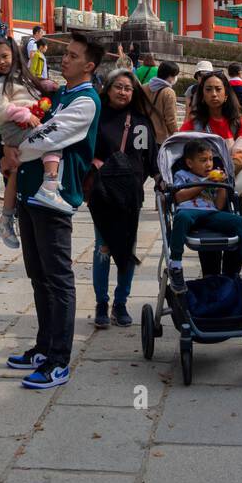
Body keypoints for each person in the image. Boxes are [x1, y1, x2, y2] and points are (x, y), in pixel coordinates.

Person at [6, 32, 102, 389]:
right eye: (66, 54)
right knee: (39, 275)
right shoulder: (61, 94)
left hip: (55, 197)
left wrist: (15, 148)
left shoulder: (86, 100)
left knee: (58, 278)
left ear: (89, 66)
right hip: (32, 193)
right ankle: (44, 346)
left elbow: (50, 138)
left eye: (74, 56)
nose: (65, 59)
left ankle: (59, 359)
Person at [89, 69, 157, 328]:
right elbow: (86, 151)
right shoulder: (97, 117)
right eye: (118, 86)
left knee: (126, 248)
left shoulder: (140, 121)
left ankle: (121, 302)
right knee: (102, 248)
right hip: (103, 194)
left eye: (128, 88)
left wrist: (160, 178)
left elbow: (150, 159)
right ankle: (101, 302)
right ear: (107, 88)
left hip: (130, 196)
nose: (123, 92)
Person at [167, 139, 242, 293]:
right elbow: (179, 197)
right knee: (180, 218)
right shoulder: (182, 175)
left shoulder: (212, 176)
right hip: (188, 212)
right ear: (190, 163)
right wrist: (204, 183)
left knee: (239, 221)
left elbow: (218, 205)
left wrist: (222, 185)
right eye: (203, 160)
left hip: (210, 213)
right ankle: (175, 265)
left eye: (210, 159)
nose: (209, 164)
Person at [0, 35, 58, 247]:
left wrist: (48, 86)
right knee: (52, 141)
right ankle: (50, 184)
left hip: (27, 124)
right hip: (15, 127)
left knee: (16, 170)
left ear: (15, 54)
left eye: (5, 56)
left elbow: (34, 92)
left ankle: (6, 218)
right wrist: (26, 115)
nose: (1, 62)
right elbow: (2, 109)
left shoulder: (23, 77)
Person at [180, 69, 242, 216]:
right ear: (202, 95)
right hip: (199, 196)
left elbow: (241, 157)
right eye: (208, 89)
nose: (213, 94)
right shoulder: (192, 126)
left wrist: (220, 175)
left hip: (232, 192)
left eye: (218, 89)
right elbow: (179, 153)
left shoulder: (240, 124)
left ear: (226, 94)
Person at [142, 60, 180, 147]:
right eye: (175, 75)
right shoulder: (168, 92)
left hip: (142, 134)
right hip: (160, 138)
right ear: (170, 76)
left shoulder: (144, 87)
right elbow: (170, 120)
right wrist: (176, 135)